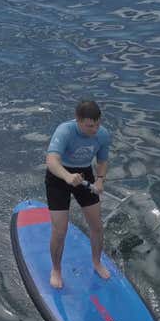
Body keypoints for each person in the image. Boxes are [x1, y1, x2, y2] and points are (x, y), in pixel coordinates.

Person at [45, 100, 111, 289]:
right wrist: (67, 176)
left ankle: (97, 262)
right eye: (90, 126)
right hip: (59, 177)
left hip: (84, 175)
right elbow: (51, 160)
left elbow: (102, 161)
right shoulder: (64, 131)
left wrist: (100, 180)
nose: (95, 129)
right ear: (78, 120)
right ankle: (56, 269)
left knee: (97, 226)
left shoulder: (103, 134)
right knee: (60, 230)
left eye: (97, 124)